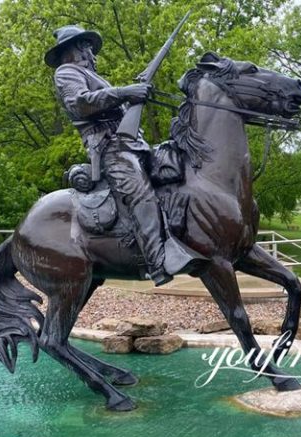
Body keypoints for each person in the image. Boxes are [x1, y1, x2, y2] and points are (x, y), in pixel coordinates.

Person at [45, 25, 190, 286]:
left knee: (179, 166)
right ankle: (157, 261)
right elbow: (80, 103)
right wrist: (126, 92)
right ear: (77, 49)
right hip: (110, 148)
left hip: (133, 144)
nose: (91, 53)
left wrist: (135, 95)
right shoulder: (66, 72)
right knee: (140, 192)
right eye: (87, 47)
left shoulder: (94, 77)